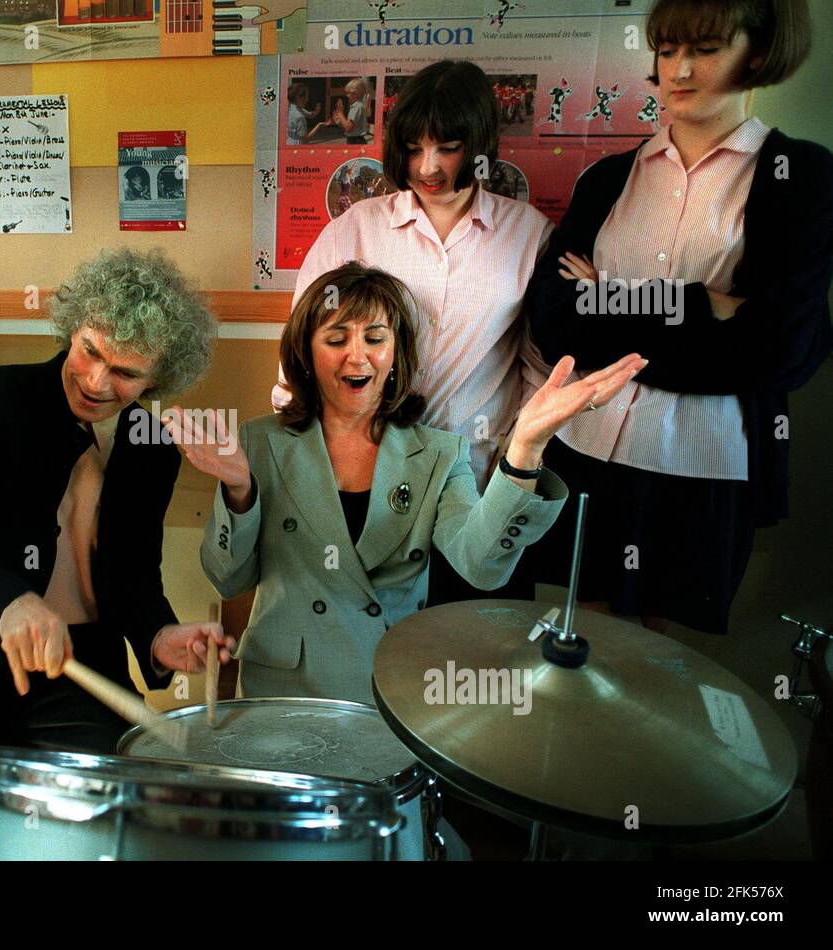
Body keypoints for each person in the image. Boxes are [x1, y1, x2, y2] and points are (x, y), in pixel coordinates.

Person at [169, 263, 644, 703]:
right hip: (282, 693)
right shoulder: (257, 441)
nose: (358, 357)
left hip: (389, 689)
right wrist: (239, 490)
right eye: (336, 339)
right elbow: (227, 578)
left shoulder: (440, 454)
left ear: (395, 353)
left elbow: (481, 566)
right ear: (306, 354)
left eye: (375, 338)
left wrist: (525, 449)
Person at [523, 0, 830, 635]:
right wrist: (703, 306)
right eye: (667, 51)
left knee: (660, 674)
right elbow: (555, 323)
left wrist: (610, 297)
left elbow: (781, 349)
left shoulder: (799, 175)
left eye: (707, 49)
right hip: (583, 454)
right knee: (575, 649)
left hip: (702, 468)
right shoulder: (608, 179)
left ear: (760, 52)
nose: (680, 70)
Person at [0, 248, 235, 753]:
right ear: (72, 327)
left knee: (115, 792)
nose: (95, 382)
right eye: (91, 351)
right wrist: (8, 602)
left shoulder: (152, 450)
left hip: (76, 665)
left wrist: (158, 634)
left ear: (159, 380)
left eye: (126, 373)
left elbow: (131, 575)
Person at [279, 59, 558, 609]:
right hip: (362, 488)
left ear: (479, 144)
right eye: (412, 148)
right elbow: (299, 360)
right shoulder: (355, 229)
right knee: (363, 657)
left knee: (469, 659)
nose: (428, 167)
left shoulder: (527, 235)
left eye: (448, 147)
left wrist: (517, 458)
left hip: (476, 486)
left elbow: (537, 368)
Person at [286, 81, 322, 145]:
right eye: (306, 97)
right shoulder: (299, 117)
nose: (307, 100)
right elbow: (305, 139)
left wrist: (317, 110)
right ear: (299, 98)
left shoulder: (292, 108)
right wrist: (318, 126)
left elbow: (310, 115)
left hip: (289, 142)